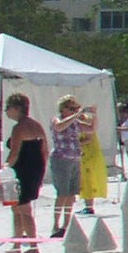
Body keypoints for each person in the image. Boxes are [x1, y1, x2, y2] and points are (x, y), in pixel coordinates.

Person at [2, 93, 48, 253]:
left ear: (16, 108)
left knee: (23, 209)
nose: (6, 112)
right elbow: (45, 150)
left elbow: (14, 153)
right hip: (36, 169)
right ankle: (17, 243)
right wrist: (41, 173)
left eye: (8, 108)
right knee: (16, 208)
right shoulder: (36, 125)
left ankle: (33, 246)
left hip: (22, 171)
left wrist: (4, 168)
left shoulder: (19, 128)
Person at [49, 95, 88, 239]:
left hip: (75, 159)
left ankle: (66, 224)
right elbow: (59, 127)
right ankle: (55, 224)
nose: (73, 111)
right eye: (71, 108)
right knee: (62, 194)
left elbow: (90, 130)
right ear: (63, 108)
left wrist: (93, 115)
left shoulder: (75, 122)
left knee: (71, 195)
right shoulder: (56, 119)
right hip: (61, 159)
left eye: (75, 108)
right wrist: (76, 115)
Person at [78, 103, 107, 215]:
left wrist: (75, 143)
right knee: (84, 180)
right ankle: (87, 205)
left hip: (88, 154)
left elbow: (89, 139)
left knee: (88, 179)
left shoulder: (86, 121)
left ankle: (89, 207)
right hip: (83, 154)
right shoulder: (82, 121)